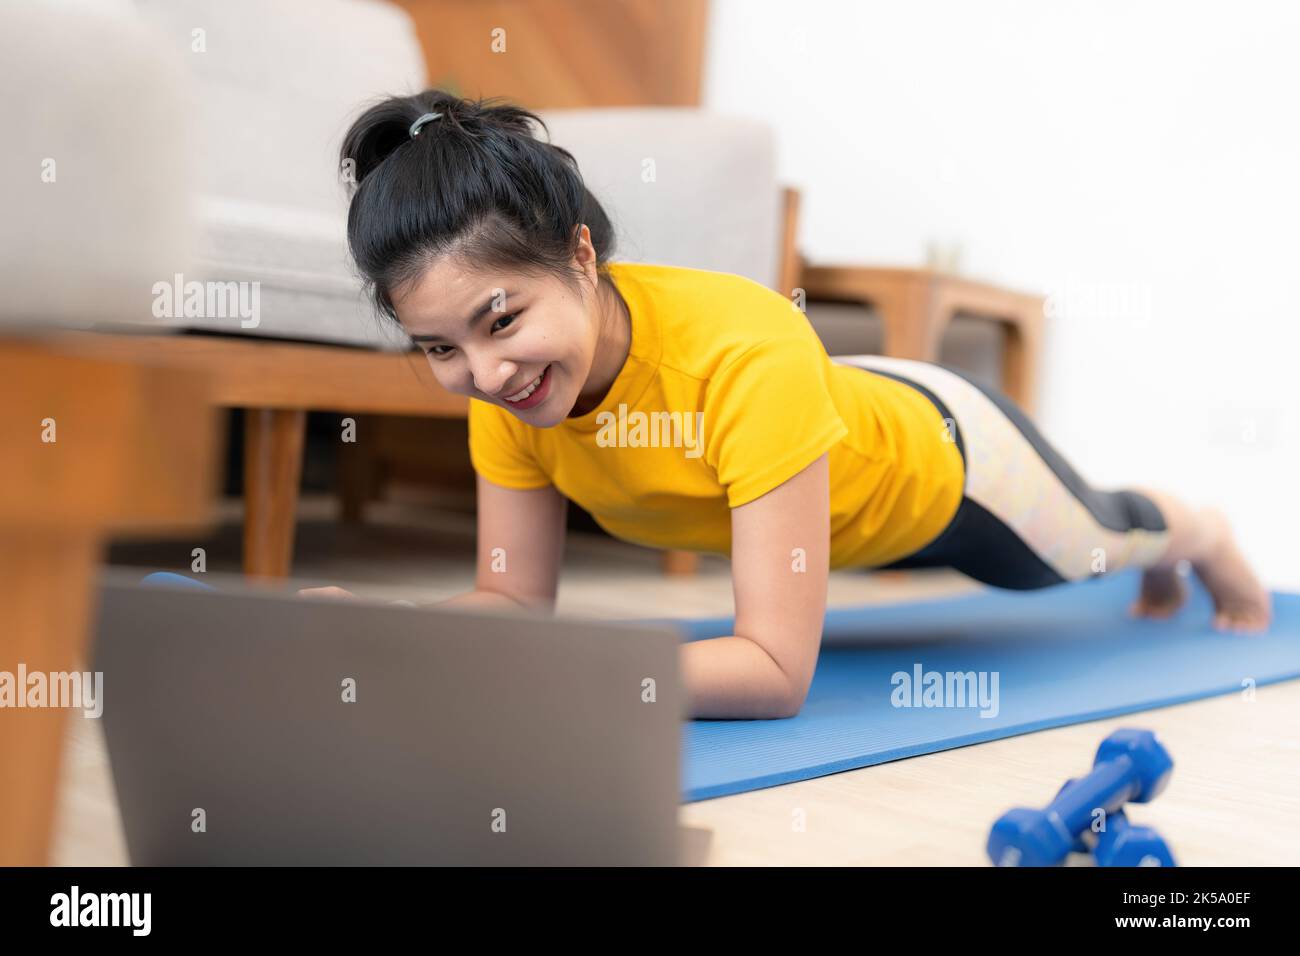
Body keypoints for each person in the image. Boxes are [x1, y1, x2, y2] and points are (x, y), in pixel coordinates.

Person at [302, 90, 1271, 720]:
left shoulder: (743, 351)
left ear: (582, 253)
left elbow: (772, 669)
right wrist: (398, 636)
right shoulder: (501, 386)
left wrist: (565, 685)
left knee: (1104, 537)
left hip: (950, 464)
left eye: (500, 319)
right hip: (846, 439)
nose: (483, 371)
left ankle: (1204, 533)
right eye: (439, 347)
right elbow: (513, 599)